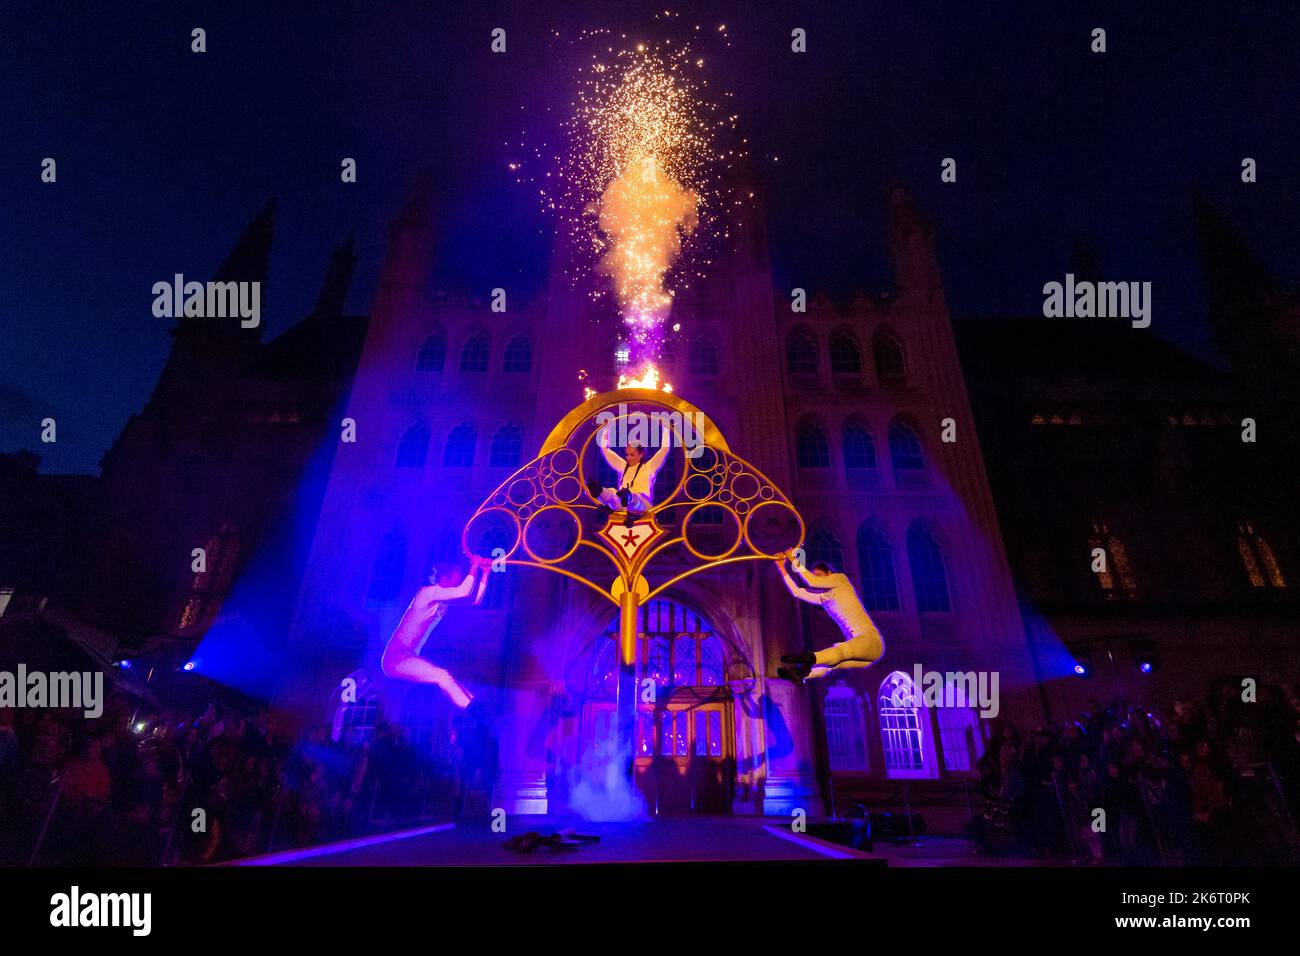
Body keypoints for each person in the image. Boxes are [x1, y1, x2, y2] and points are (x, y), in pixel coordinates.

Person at [379, 556, 491, 709]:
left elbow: (474, 600)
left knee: (445, 678)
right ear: (444, 578)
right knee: (442, 676)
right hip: (396, 657)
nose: (456, 585)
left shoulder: (443, 601)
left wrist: (485, 572)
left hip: (408, 656)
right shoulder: (427, 593)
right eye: (455, 580)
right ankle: (475, 711)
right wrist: (475, 565)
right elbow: (464, 591)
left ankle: (476, 707)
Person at [773, 550, 885, 683]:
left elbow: (811, 581)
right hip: (860, 647)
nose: (819, 580)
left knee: (841, 650)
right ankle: (800, 675)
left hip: (870, 640)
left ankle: (809, 658)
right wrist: (781, 568)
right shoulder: (823, 598)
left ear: (829, 574)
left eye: (821, 575)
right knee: (830, 665)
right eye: (817, 576)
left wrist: (793, 559)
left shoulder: (841, 579)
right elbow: (797, 592)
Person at [587, 422, 671, 527]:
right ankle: (600, 491)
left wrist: (666, 429)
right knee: (614, 493)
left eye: (632, 455)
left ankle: (628, 497)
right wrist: (606, 428)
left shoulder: (650, 467)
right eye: (627, 454)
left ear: (641, 454)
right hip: (624, 508)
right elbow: (605, 449)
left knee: (635, 500)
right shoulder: (623, 466)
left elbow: (664, 449)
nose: (628, 458)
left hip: (643, 507)